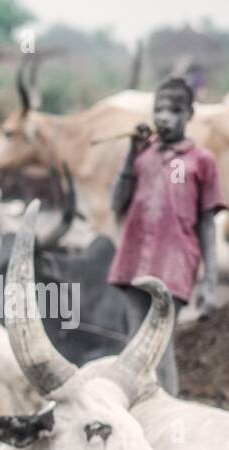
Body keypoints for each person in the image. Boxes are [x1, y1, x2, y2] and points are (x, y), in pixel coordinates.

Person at [109, 75, 226, 391]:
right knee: (133, 347)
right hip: (134, 263)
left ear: (189, 115)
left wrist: (210, 284)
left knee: (159, 349)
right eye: (158, 109)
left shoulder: (201, 161)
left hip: (173, 268)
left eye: (174, 110)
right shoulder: (142, 155)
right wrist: (130, 155)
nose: (164, 116)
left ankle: (168, 413)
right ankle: (135, 418)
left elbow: (206, 225)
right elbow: (116, 202)